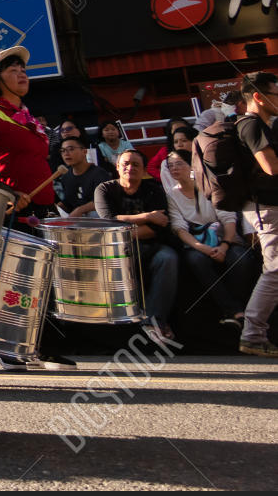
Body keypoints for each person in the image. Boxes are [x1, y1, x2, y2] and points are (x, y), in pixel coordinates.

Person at [0, 47, 77, 370]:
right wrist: (5, 192)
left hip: (41, 208)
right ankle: (8, 346)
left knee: (42, 280)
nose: (22, 73)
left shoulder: (27, 117)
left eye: (23, 69)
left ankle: (41, 347)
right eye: (13, 69)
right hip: (11, 210)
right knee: (14, 280)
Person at [162, 150, 258, 329]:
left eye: (179, 163)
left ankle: (239, 307)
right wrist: (203, 248)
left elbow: (228, 219)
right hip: (197, 244)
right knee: (196, 261)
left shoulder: (210, 186)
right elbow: (179, 228)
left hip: (225, 238)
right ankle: (234, 310)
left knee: (241, 260)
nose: (174, 168)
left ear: (192, 165)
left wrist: (224, 245)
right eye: (170, 165)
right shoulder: (171, 195)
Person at [94, 149, 180, 345]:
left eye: (136, 164)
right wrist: (147, 216)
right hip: (116, 249)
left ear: (144, 170)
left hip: (152, 245)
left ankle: (154, 321)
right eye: (125, 164)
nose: (130, 168)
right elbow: (108, 222)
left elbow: (159, 228)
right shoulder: (104, 189)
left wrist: (124, 229)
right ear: (117, 167)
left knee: (168, 258)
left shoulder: (154, 190)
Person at [233, 73, 278, 357]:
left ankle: (254, 334)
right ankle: (252, 335)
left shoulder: (263, 125)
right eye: (276, 94)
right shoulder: (251, 125)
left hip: (269, 206)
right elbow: (271, 167)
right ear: (259, 97)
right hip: (267, 208)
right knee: (276, 271)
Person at [54, 136, 105, 218]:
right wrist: (56, 208)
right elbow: (69, 202)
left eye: (71, 149)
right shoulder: (66, 177)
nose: (66, 153)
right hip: (77, 220)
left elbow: (104, 200)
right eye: (63, 151)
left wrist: (81, 210)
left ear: (84, 151)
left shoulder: (99, 174)